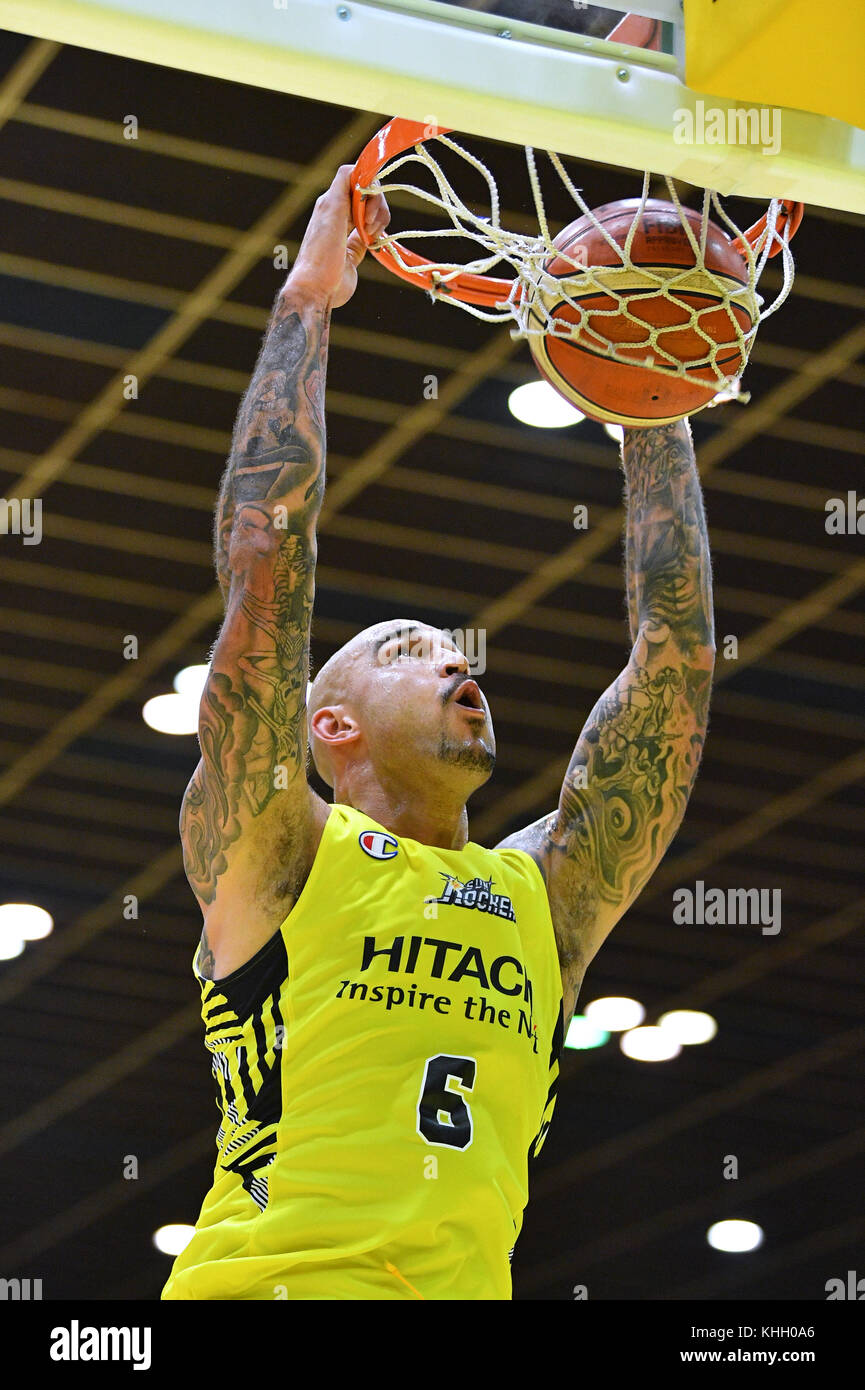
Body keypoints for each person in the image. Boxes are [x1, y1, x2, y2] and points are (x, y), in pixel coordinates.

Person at [161, 165, 715, 1301]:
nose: (460, 661)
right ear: (330, 724)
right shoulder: (279, 849)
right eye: (410, 651)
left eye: (456, 650)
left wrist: (653, 406)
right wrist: (305, 305)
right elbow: (268, 566)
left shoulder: (544, 897)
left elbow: (675, 666)